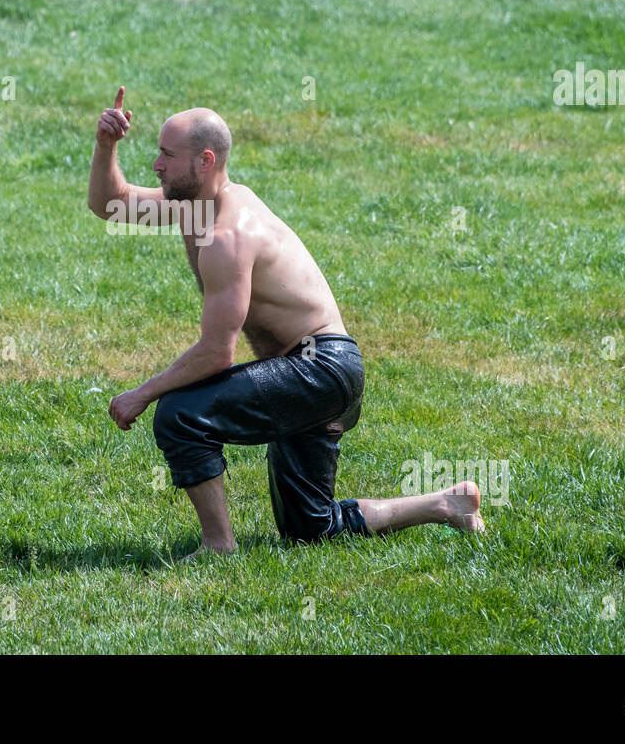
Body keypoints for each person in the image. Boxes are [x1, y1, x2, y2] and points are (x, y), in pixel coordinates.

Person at [88, 87, 484, 558]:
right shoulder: (194, 203)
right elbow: (110, 204)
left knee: (179, 415)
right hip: (316, 371)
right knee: (308, 527)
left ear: (205, 161)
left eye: (167, 155)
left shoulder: (228, 235)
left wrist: (142, 393)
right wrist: (106, 145)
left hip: (322, 369)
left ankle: (218, 546)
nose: (155, 164)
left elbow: (218, 353)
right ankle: (448, 503)